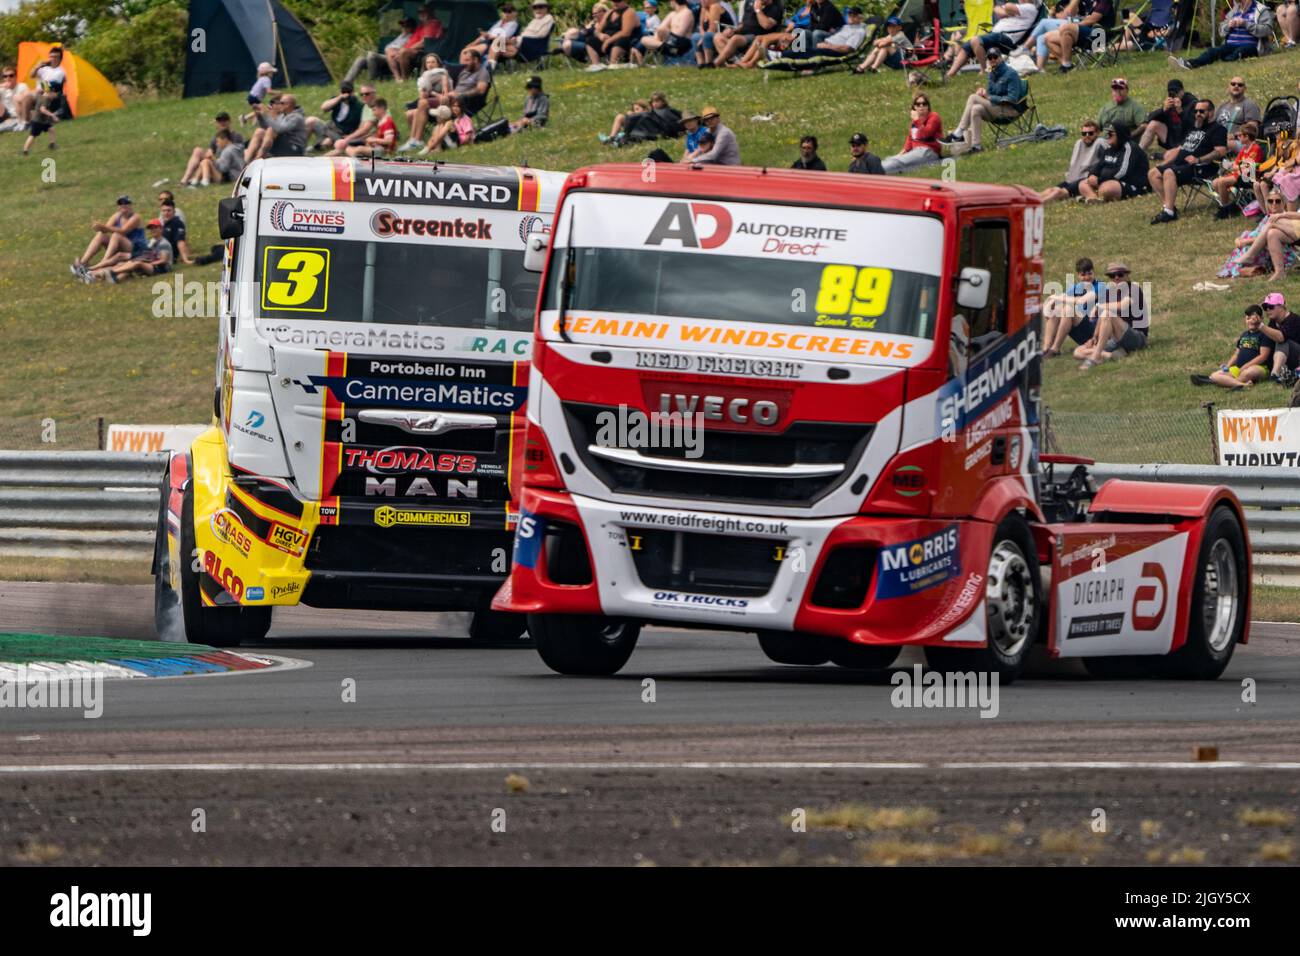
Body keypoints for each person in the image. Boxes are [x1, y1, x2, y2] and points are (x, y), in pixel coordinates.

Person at [1148, 99, 1227, 224]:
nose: (1197, 114)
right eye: (1196, 111)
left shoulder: (1218, 129)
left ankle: (1168, 213)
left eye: (1202, 111)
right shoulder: (1194, 128)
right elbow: (1182, 148)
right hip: (1181, 166)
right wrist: (1165, 162)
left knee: (1169, 172)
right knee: (1153, 173)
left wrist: (1199, 159)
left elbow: (1221, 151)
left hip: (1201, 168)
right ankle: (1169, 207)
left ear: (1211, 112)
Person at [942, 47, 1026, 155]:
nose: (992, 60)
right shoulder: (991, 72)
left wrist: (989, 97)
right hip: (996, 109)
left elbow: (1012, 99)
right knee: (976, 109)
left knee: (973, 97)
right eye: (989, 58)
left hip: (1010, 110)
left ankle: (959, 132)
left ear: (1001, 58)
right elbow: (990, 93)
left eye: (995, 57)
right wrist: (983, 92)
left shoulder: (1011, 74)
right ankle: (976, 146)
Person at [1075, 262, 1148, 369]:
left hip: (1137, 337)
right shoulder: (1110, 292)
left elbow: (1123, 305)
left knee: (1107, 313)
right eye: (1112, 276)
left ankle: (1095, 357)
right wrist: (1094, 337)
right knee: (1078, 351)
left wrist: (1099, 306)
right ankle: (1110, 355)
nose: (1116, 278)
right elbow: (1102, 319)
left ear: (1127, 275)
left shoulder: (1134, 288)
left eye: (1120, 274)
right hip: (1116, 339)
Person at [946, 2, 1039, 79]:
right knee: (966, 46)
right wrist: (1006, 12)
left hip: (1007, 38)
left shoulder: (1030, 8)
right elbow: (999, 11)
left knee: (975, 40)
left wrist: (1005, 11)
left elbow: (1007, 7)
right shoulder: (1020, 8)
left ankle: (984, 71)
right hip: (996, 35)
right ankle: (950, 75)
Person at [1171, 0, 1269, 68]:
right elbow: (1221, 31)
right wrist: (1228, 26)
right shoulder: (1235, 10)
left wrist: (1246, 24)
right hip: (1230, 45)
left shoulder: (1260, 10)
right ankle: (1189, 64)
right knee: (1213, 51)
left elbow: (1267, 30)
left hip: (1251, 46)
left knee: (1241, 51)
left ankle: (1226, 60)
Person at [1192, 306, 1271, 388]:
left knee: (1249, 372)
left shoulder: (1264, 334)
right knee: (1215, 374)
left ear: (1261, 319)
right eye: (1248, 319)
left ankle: (1222, 382)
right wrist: (1228, 366)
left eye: (1253, 319)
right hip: (1238, 368)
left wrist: (1246, 366)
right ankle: (1242, 384)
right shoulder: (1244, 335)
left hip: (1259, 367)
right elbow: (1237, 354)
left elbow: (1263, 356)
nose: (1251, 321)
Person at [71, 196, 144, 279]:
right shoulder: (116, 216)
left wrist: (104, 227)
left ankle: (102, 264)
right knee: (101, 235)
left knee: (116, 235)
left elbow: (123, 231)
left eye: (126, 203)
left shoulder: (135, 217)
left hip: (136, 248)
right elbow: (105, 229)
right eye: (120, 203)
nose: (123, 205)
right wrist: (99, 227)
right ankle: (82, 263)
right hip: (121, 248)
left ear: (130, 205)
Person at [1042, 257, 1104, 357]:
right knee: (1056, 309)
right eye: (1083, 275)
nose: (1087, 277)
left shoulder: (1100, 286)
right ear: (1078, 275)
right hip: (1080, 330)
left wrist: (1057, 298)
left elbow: (1082, 300)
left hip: (1095, 332)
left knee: (1068, 309)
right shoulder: (1075, 288)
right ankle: (1046, 349)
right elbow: (1050, 308)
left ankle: (1055, 349)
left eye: (1090, 273)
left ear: (1094, 272)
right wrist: (1052, 305)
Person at [1076, 122, 1148, 203]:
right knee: (1082, 184)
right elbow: (1099, 166)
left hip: (1131, 184)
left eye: (1110, 134)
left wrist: (1100, 180)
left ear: (1120, 134)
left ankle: (1093, 195)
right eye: (1107, 134)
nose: (1107, 137)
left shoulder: (1130, 148)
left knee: (1107, 188)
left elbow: (1122, 172)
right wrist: (1092, 175)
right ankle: (1094, 198)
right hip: (1107, 181)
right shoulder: (1110, 149)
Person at [89, 220, 174, 285]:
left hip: (161, 268)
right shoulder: (152, 241)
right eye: (151, 228)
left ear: (161, 229)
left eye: (155, 227)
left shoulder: (164, 243)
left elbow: (163, 260)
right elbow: (148, 254)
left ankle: (112, 273)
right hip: (149, 262)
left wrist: (149, 262)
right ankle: (94, 274)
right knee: (123, 264)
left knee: (137, 263)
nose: (153, 230)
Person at [1039, 119, 1104, 201]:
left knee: (1058, 192)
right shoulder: (1079, 143)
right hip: (1071, 179)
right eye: (1084, 133)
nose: (1087, 136)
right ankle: (1030, 199)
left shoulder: (1100, 142)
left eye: (1090, 133)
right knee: (1051, 190)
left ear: (1097, 133)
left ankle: (1038, 204)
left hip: (1082, 181)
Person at [399, 55, 453, 151]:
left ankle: (417, 139)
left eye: (433, 62)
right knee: (410, 113)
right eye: (428, 62)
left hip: (444, 102)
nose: (430, 64)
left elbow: (445, 94)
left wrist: (433, 93)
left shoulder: (443, 74)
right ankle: (413, 140)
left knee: (422, 103)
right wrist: (428, 91)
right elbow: (422, 96)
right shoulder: (425, 77)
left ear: (438, 64)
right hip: (430, 102)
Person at [882, 93, 943, 174]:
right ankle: (872, 168)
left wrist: (917, 120)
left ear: (928, 106)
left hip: (928, 151)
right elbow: (910, 139)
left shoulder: (934, 117)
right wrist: (901, 153)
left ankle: (876, 171)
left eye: (924, 104)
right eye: (918, 104)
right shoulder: (915, 121)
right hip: (916, 151)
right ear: (914, 107)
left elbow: (926, 133)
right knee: (891, 159)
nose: (921, 106)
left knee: (898, 162)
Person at [1045, 0, 1113, 72]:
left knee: (1066, 28)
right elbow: (1069, 14)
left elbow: (1093, 19)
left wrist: (1072, 26)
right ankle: (1067, 64)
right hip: (1086, 34)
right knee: (1048, 37)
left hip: (1100, 36)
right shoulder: (1088, 2)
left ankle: (1065, 65)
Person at [179, 112, 245, 186]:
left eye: (224, 120)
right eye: (219, 121)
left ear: (229, 121)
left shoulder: (236, 137)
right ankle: (186, 180)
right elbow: (211, 151)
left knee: (206, 162)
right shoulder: (216, 137)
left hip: (227, 169)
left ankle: (201, 181)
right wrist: (209, 155)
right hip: (220, 164)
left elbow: (233, 159)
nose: (222, 123)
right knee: (198, 151)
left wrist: (213, 159)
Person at [712, 0, 784, 67]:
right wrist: (733, 30)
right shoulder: (749, 2)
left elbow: (766, 25)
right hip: (743, 36)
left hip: (758, 38)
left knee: (736, 39)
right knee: (718, 37)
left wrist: (758, 10)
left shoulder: (775, 7)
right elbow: (743, 24)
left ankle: (716, 63)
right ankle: (735, 62)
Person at [1213, 121, 1262, 219]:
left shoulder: (1255, 148)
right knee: (1215, 182)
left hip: (1249, 176)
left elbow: (1249, 166)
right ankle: (1231, 205)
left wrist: (1236, 166)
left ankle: (1225, 209)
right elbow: (1237, 164)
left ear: (1247, 137)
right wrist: (1238, 166)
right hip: (1238, 173)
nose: (1238, 137)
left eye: (1240, 136)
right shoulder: (1244, 149)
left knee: (1222, 182)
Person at [344, 16, 414, 83]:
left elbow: (405, 50)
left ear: (411, 27)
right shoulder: (401, 36)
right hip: (386, 56)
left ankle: (373, 80)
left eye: (406, 26)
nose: (403, 28)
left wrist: (395, 52)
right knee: (361, 59)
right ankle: (346, 82)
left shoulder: (411, 37)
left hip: (393, 58)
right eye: (402, 25)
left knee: (371, 55)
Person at [1139, 78, 1197, 153]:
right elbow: (1148, 119)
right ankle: (1139, 151)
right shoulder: (1170, 103)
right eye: (1171, 93)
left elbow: (1194, 125)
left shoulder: (1192, 103)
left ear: (1182, 91)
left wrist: (1181, 112)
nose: (1174, 95)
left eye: (1176, 92)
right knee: (1153, 124)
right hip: (1172, 138)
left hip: (1187, 139)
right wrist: (1163, 109)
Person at [602, 90, 680, 144]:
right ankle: (612, 137)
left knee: (623, 117)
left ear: (663, 101)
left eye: (657, 101)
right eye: (653, 102)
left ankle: (615, 138)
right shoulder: (651, 111)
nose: (654, 104)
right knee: (620, 117)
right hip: (640, 126)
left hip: (647, 130)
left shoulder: (666, 111)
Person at [493, 2, 556, 69]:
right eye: (535, 8)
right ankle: (492, 64)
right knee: (498, 47)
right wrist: (517, 38)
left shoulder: (548, 18)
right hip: (521, 44)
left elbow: (542, 35)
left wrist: (520, 39)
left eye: (540, 7)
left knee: (497, 44)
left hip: (532, 47)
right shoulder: (534, 20)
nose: (538, 10)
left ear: (547, 9)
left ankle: (491, 64)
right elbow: (525, 33)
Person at [247, 94, 308, 161]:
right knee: (260, 131)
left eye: (281, 103)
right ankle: (246, 160)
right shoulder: (282, 115)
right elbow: (266, 127)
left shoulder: (296, 117)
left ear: (289, 105)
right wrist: (259, 115)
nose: (279, 105)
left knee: (270, 130)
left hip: (295, 149)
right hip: (285, 146)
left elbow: (279, 129)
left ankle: (259, 158)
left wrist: (265, 114)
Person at [307, 81, 365, 153]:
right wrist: (339, 98)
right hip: (329, 127)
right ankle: (301, 147)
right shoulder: (336, 100)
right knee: (310, 120)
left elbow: (361, 126)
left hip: (341, 134)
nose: (346, 94)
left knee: (328, 142)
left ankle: (318, 147)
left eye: (348, 92)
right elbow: (324, 107)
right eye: (343, 92)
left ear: (353, 92)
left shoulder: (358, 106)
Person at [391, 5, 444, 80]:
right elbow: (412, 41)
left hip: (426, 52)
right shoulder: (421, 26)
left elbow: (424, 43)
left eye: (424, 11)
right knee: (393, 51)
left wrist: (404, 50)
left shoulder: (433, 23)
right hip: (415, 51)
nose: (421, 13)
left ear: (430, 12)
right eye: (419, 12)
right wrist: (400, 50)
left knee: (403, 52)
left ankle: (404, 79)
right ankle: (396, 77)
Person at [1259, 292, 1300, 383]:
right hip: (1287, 360)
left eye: (1271, 307)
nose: (1268, 310)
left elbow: (1280, 337)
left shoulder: (1294, 319)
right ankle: (1280, 372)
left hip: (1297, 358)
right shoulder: (1273, 322)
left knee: (1282, 341)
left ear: (1281, 306)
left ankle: (1275, 373)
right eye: (1265, 307)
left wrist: (1261, 326)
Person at [1215, 76, 1262, 154]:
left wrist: (1234, 136)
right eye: (1233, 84)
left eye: (1240, 85)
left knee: (1222, 144)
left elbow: (1252, 129)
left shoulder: (1250, 105)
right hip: (1221, 139)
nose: (1236, 86)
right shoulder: (1222, 106)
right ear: (1228, 87)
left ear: (1245, 89)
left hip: (1240, 142)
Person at [327, 86, 379, 156]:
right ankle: (320, 160)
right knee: (340, 145)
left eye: (366, 94)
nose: (363, 96)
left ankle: (320, 161)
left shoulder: (377, 107)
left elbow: (365, 130)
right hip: (365, 139)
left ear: (374, 94)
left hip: (374, 141)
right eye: (362, 94)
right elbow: (361, 127)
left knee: (342, 145)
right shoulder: (366, 107)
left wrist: (348, 138)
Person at [590, 0, 642, 66]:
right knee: (590, 40)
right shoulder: (609, 13)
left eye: (618, 1)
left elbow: (625, 32)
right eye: (613, 1)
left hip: (627, 41)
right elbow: (597, 30)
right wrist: (600, 35)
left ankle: (613, 63)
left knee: (621, 41)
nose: (615, 3)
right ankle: (596, 65)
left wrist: (608, 41)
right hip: (610, 40)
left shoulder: (629, 12)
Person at [21, 83, 60, 156]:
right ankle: (25, 150)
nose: (56, 96)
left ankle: (52, 144)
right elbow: (43, 109)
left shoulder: (41, 96)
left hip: (43, 121)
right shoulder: (45, 99)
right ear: (51, 92)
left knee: (51, 128)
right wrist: (52, 115)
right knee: (33, 135)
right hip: (38, 121)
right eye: (56, 94)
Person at [693, 0, 736, 66]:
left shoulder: (715, 7)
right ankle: (701, 63)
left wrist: (703, 38)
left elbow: (713, 29)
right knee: (695, 36)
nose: (702, 1)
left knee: (707, 35)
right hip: (711, 34)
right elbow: (701, 27)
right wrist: (702, 36)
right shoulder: (703, 8)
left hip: (723, 35)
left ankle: (709, 62)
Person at [159, 199, 192, 265]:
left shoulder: (177, 223)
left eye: (169, 210)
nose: (166, 213)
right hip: (158, 254)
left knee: (178, 274)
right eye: (164, 211)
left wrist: (185, 260)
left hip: (168, 258)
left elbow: (180, 241)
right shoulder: (163, 224)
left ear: (174, 212)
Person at [0, 65, 31, 132]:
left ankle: (22, 125)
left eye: (11, 75)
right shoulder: (2, 89)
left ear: (16, 77)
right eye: (5, 76)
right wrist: (1, 85)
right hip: (9, 117)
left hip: (22, 116)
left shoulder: (22, 86)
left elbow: (27, 98)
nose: (8, 78)